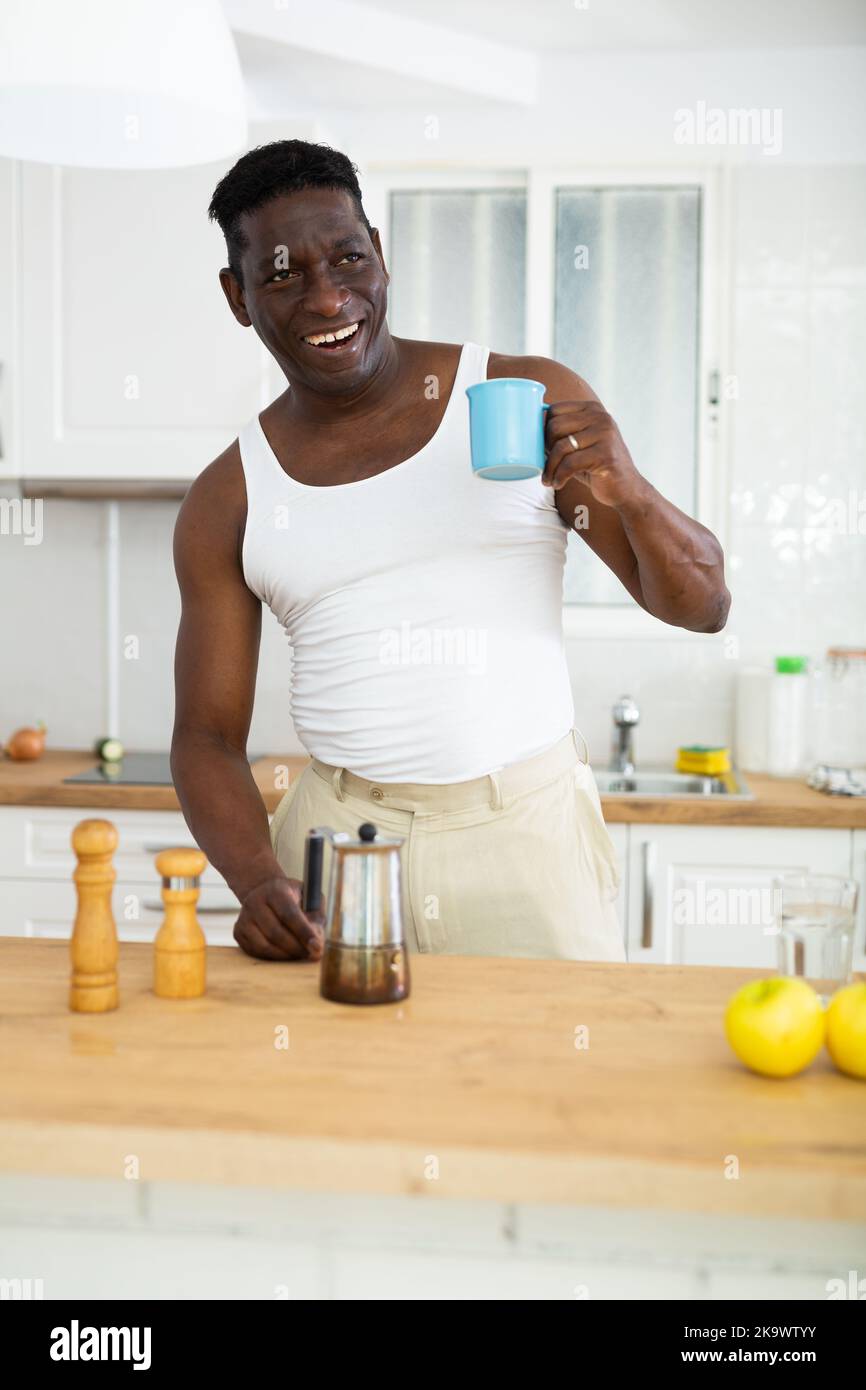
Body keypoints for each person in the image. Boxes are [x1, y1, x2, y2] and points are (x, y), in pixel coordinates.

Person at [170, 140, 730, 964]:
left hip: (527, 839)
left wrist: (631, 489)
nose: (329, 299)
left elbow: (702, 606)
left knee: (562, 1087)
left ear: (380, 257)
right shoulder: (230, 497)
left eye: (348, 258)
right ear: (239, 296)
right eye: (284, 275)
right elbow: (206, 738)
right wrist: (257, 881)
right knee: (337, 1093)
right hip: (334, 846)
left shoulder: (523, 398)